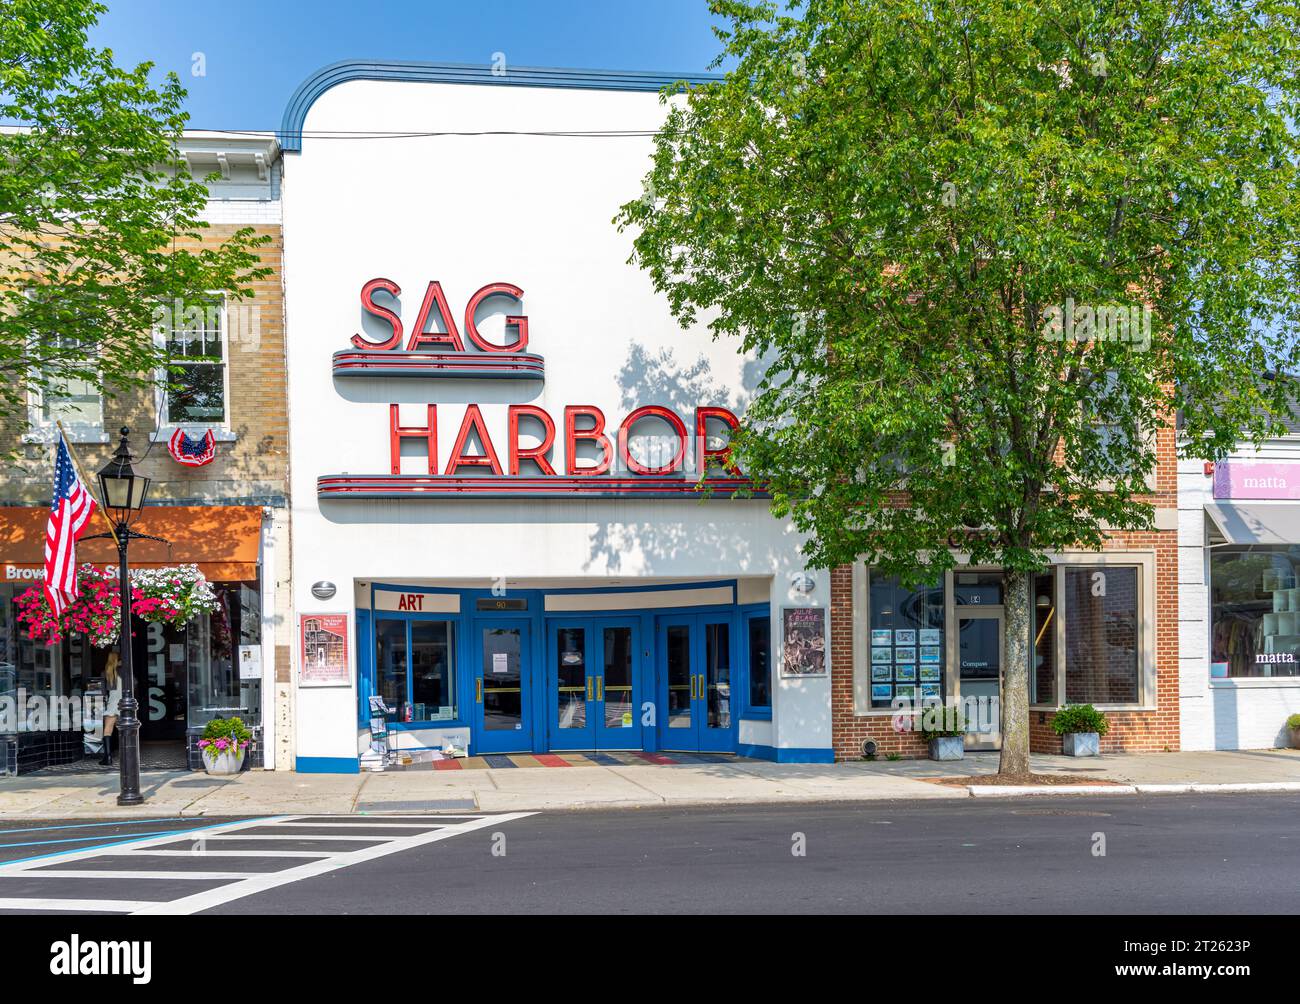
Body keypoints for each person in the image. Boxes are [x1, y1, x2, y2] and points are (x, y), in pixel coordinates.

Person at [100, 652, 122, 766]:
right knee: (124, 729)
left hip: (113, 703)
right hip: (124, 703)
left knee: (107, 730)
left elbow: (103, 692)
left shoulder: (105, 672)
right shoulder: (124, 671)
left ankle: (108, 757)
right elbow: (135, 683)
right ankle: (126, 754)